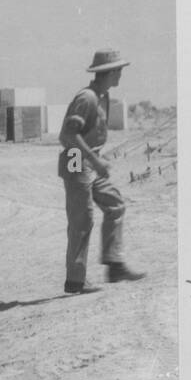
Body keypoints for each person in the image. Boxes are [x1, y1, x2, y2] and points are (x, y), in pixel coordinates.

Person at [57, 48, 145, 294]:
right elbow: (68, 135)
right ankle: (75, 281)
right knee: (81, 220)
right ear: (108, 72)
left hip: (89, 162)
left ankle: (115, 265)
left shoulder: (102, 96)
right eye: (118, 70)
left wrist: (95, 161)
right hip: (76, 160)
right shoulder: (87, 98)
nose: (120, 75)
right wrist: (94, 162)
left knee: (115, 204)